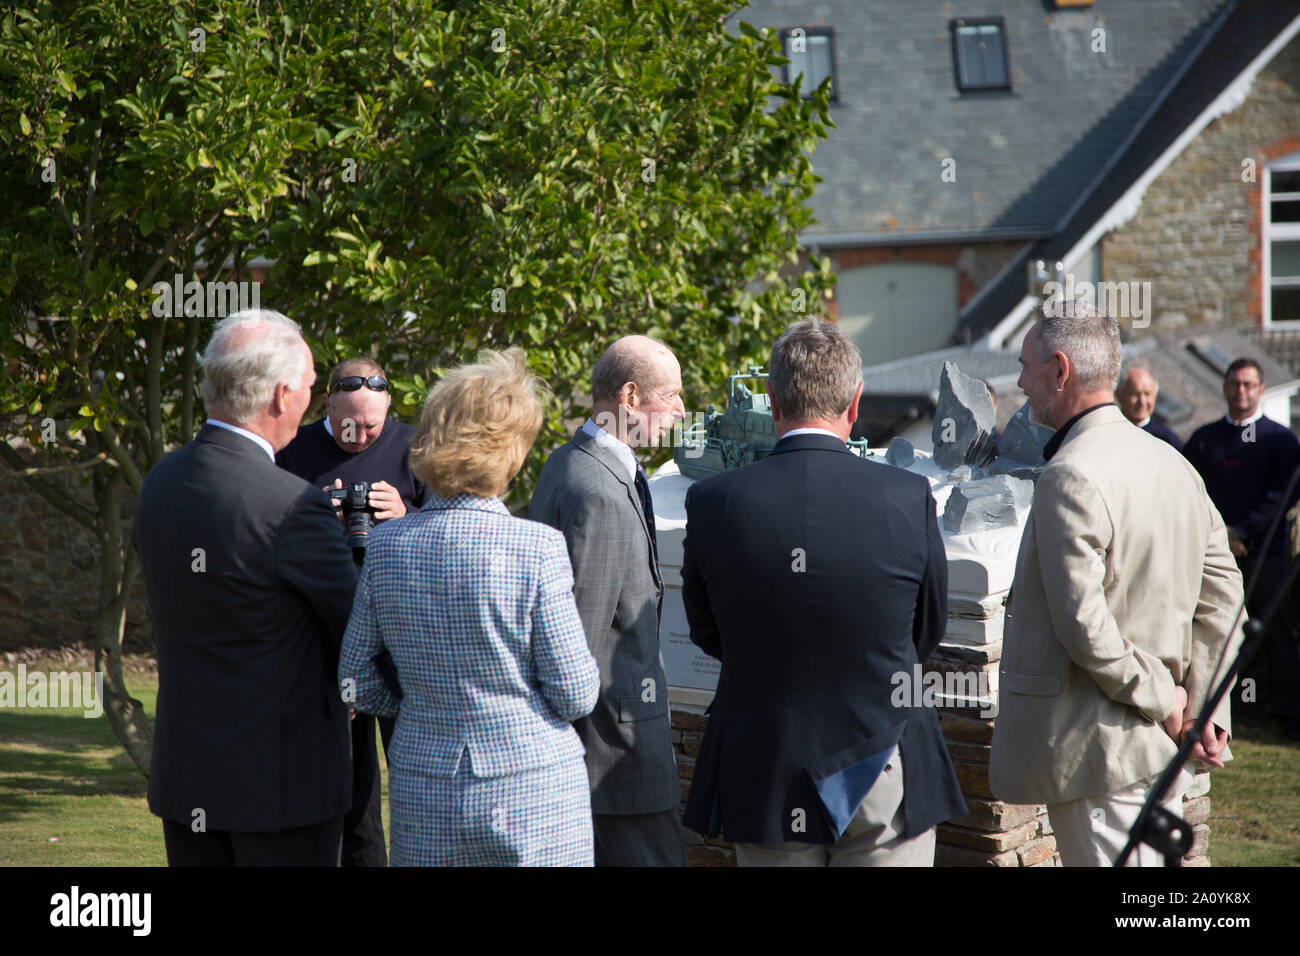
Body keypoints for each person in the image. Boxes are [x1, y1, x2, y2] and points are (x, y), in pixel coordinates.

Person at [681, 320, 967, 866]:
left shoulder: (714, 501)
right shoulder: (907, 496)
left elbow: (708, 630)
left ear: (772, 400)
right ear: (855, 402)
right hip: (884, 757)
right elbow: (925, 631)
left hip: (765, 764)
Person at [989, 305, 1245, 866]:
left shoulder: (1069, 473)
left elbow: (1083, 625)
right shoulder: (1174, 464)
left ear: (1060, 370)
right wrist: (1205, 711)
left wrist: (1171, 704)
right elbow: (1225, 597)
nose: (1019, 382)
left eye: (1026, 366)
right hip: (1160, 750)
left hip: (1102, 755)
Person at [338, 348, 600, 866]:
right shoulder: (538, 548)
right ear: (511, 450)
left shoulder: (388, 547)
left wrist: (419, 706)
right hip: (531, 789)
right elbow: (574, 693)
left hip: (426, 787)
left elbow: (354, 677)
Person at [133, 309, 357, 866]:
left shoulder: (161, 480)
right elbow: (358, 626)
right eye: (309, 387)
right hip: (281, 789)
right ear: (282, 397)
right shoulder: (290, 503)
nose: (309, 399)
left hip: (188, 777)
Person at [529, 335, 687, 866]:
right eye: (672, 396)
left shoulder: (564, 461)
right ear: (630, 396)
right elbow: (578, 641)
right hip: (616, 761)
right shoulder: (598, 491)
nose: (682, 411)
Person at [276, 357, 429, 867]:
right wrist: (309, 514)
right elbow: (263, 539)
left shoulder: (416, 446)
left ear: (391, 407)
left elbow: (453, 533)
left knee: (419, 785)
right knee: (352, 793)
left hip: (406, 638)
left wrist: (407, 515)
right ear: (326, 407)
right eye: (348, 426)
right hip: (326, 638)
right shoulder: (292, 451)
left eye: (372, 426)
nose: (361, 436)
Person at [1183, 358, 1300, 739]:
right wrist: (1221, 537)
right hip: (1215, 557)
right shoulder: (1204, 439)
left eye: (1249, 384)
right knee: (1217, 631)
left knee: (1276, 632)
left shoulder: (1281, 441)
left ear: (1261, 390)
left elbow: (1280, 496)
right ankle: (1224, 712)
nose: (1241, 391)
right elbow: (1189, 489)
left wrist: (1241, 532)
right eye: (1235, 383)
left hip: (1266, 555)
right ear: (1225, 387)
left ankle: (1287, 715)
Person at [1116, 364, 1182, 450]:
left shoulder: (1167, 441)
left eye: (1147, 394)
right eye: (1135, 394)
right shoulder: (1105, 427)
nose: (1142, 401)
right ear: (1119, 394)